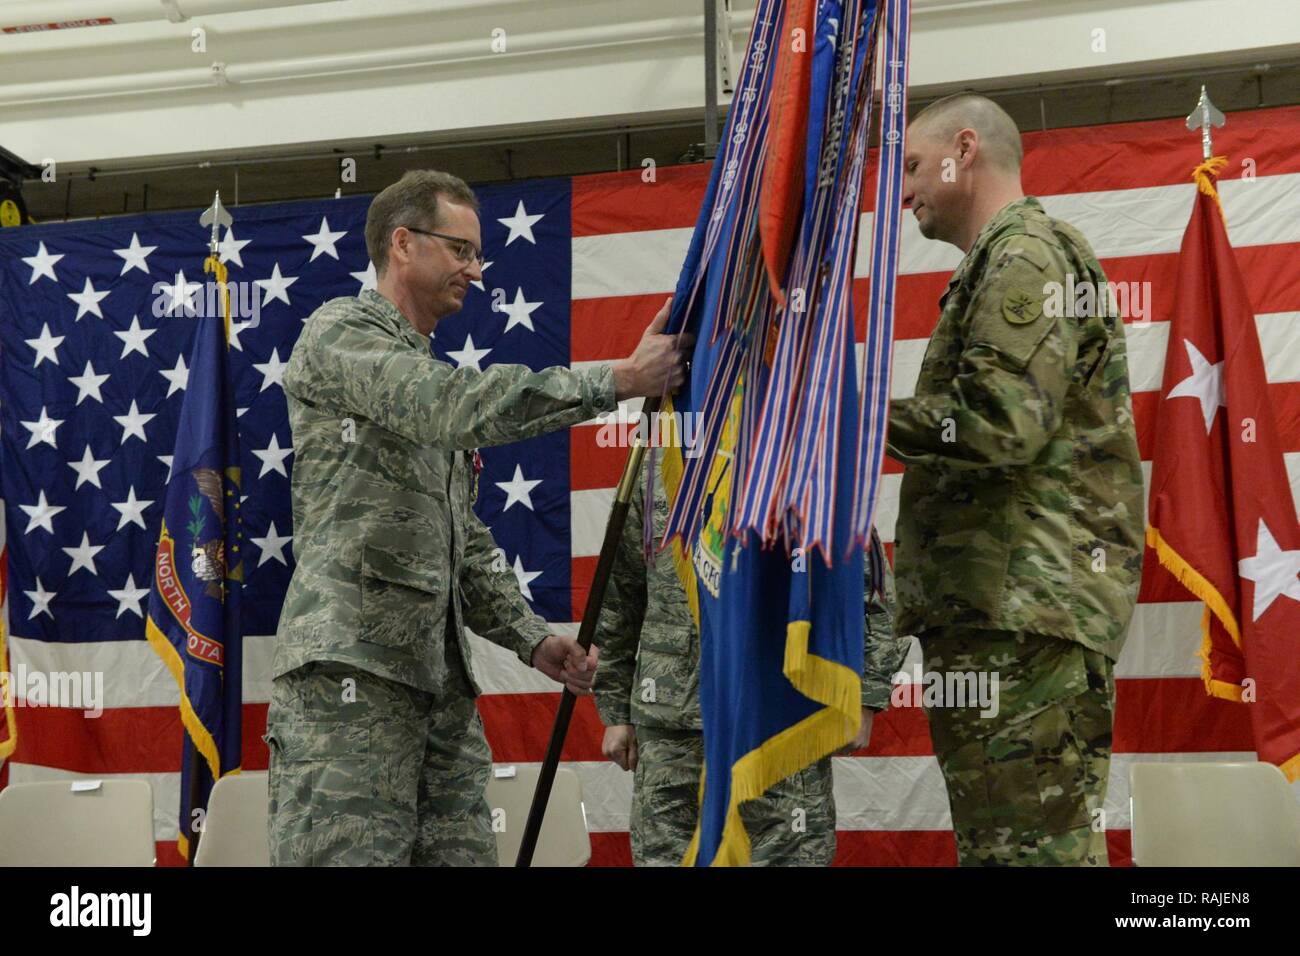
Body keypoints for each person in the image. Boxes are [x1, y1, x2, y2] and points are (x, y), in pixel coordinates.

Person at [265, 169, 691, 866]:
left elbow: (460, 541)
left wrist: (531, 641)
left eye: (478, 253)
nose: (476, 270)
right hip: (352, 681)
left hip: (437, 686)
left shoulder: (418, 367)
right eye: (460, 251)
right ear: (403, 244)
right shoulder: (341, 334)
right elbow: (455, 407)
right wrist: (616, 380)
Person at [888, 93, 1144, 866]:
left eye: (910, 165)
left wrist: (856, 418)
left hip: (1025, 613)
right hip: (999, 610)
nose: (903, 192)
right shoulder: (1001, 260)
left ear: (963, 150)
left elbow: (1002, 421)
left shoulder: (1025, 254)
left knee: (1034, 854)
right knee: (1010, 850)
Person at [594, 456, 909, 865]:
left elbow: (869, 591)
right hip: (671, 730)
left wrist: (863, 697)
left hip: (779, 718)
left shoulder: (802, 458)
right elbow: (619, 597)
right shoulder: (657, 464)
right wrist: (615, 710)